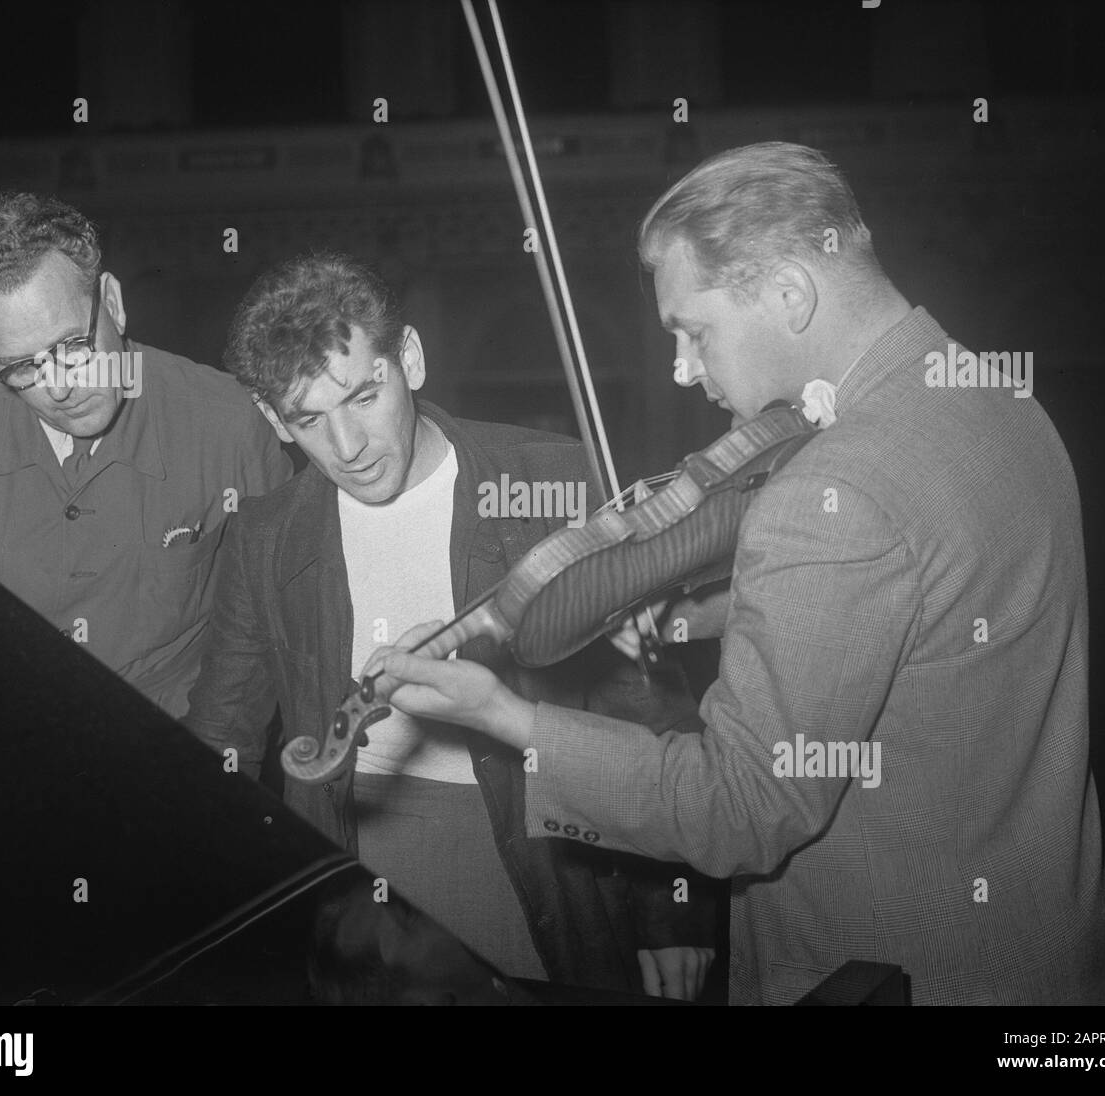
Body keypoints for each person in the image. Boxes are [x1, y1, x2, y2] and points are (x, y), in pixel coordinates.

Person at [366, 142, 1105, 1005]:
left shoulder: (829, 493)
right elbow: (936, 609)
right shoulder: (999, 398)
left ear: (791, 294)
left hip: (893, 971)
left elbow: (743, 808)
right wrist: (711, 612)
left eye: (694, 332)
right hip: (1049, 958)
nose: (683, 369)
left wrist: (508, 717)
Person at [183, 251, 715, 998]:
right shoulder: (267, 534)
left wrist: (672, 913)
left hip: (542, 862)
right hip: (355, 881)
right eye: (308, 419)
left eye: (365, 397)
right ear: (273, 418)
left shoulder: (548, 480)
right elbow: (220, 740)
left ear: (409, 359)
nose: (348, 447)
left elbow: (644, 707)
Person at [0, 192, 290, 719]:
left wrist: (221, 759)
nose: (59, 387)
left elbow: (269, 627)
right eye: (21, 367)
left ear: (113, 303)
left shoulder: (231, 423)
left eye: (73, 346)